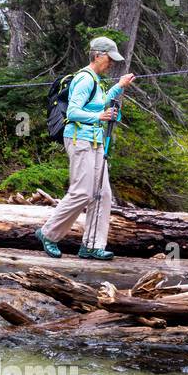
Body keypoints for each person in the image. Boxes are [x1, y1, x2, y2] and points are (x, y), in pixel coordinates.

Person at [35, 36, 135, 261]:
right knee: (82, 192)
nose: (111, 63)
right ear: (98, 55)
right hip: (80, 140)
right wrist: (99, 116)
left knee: (103, 194)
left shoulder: (97, 80)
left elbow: (101, 102)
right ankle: (48, 233)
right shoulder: (84, 79)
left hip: (95, 141)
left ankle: (91, 245)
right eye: (110, 59)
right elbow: (72, 112)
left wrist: (119, 87)